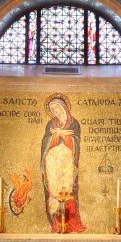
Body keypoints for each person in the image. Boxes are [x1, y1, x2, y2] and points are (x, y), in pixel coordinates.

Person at [39, 93, 85, 233]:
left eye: (57, 108)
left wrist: (64, 135)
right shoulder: (51, 124)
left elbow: (76, 142)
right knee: (54, 190)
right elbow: (45, 144)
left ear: (63, 107)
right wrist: (55, 135)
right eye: (53, 110)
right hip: (53, 164)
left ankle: (70, 222)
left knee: (68, 189)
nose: (56, 112)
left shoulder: (74, 123)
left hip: (67, 164)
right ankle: (56, 221)